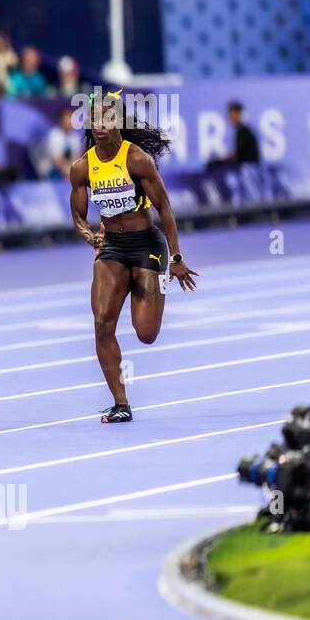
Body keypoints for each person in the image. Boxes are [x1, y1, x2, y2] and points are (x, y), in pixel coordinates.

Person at [68, 90, 199, 423]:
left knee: (146, 334)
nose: (99, 125)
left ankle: (151, 293)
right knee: (101, 323)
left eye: (107, 119)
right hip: (111, 248)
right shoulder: (82, 168)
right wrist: (89, 236)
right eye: (94, 119)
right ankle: (121, 402)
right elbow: (79, 218)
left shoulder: (137, 159)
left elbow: (165, 209)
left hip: (147, 246)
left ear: (119, 122)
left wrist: (176, 256)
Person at [205, 101, 261, 170]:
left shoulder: (243, 131)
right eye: (229, 115)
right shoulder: (242, 130)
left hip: (247, 168)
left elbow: (238, 156)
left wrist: (221, 158)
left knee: (212, 164)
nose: (229, 117)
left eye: (231, 114)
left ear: (238, 114)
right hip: (246, 165)